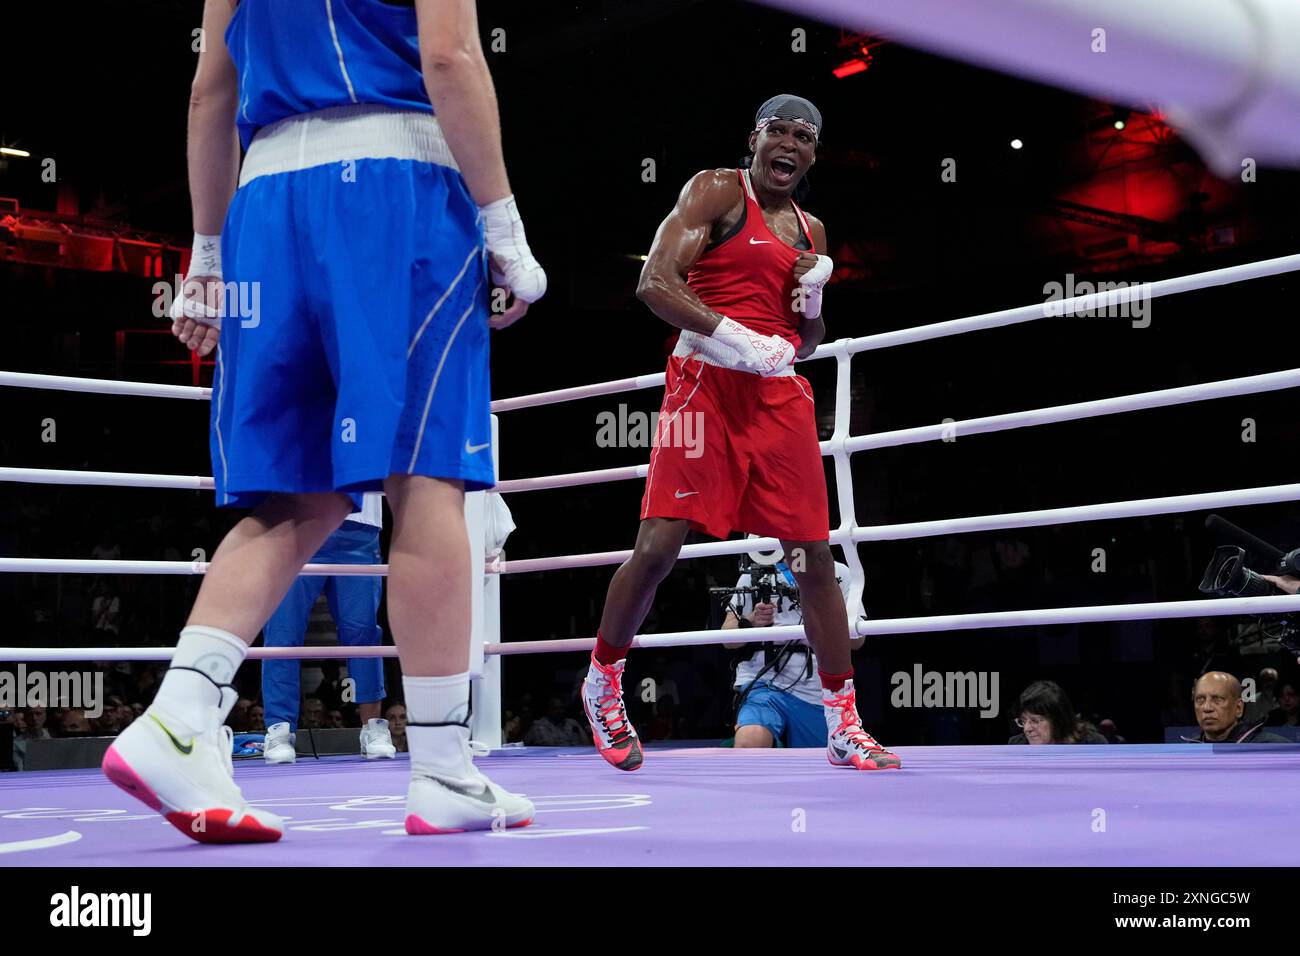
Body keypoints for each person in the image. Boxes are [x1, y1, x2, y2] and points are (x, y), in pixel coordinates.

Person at [102, 0, 545, 843]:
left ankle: (181, 714)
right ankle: (446, 769)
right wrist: (504, 224)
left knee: (296, 492)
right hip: (395, 187)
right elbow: (451, 59)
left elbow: (210, 93)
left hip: (263, 202)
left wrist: (204, 255)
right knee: (428, 471)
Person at [580, 94, 899, 772]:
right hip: (702, 387)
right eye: (777, 131)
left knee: (814, 558)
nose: (789, 144)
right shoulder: (715, 191)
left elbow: (805, 341)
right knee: (661, 543)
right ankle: (603, 678)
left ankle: (843, 723)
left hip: (777, 399)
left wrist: (810, 305)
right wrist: (736, 337)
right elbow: (652, 282)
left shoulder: (811, 229)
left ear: (814, 152)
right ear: (754, 139)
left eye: (804, 136)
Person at [261, 494, 395, 764]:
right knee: (282, 632)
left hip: (359, 525)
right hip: (295, 521)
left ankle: (373, 728)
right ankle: (279, 728)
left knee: (363, 632)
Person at [722, 557, 865, 748]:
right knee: (750, 740)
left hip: (817, 688)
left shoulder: (837, 572)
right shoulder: (754, 575)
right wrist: (750, 621)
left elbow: (857, 641)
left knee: (820, 767)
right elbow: (726, 639)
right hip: (764, 682)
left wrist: (824, 613)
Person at [1181, 672, 1289, 743]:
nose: (1207, 708)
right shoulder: (1184, 754)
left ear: (1238, 708)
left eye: (1217, 699)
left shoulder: (1272, 747)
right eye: (1200, 699)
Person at [1007, 681, 1107, 744]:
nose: (1027, 729)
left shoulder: (1092, 743)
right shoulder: (1017, 744)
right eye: (1023, 721)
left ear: (1058, 720)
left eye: (1035, 720)